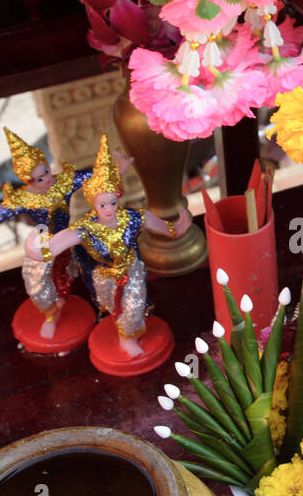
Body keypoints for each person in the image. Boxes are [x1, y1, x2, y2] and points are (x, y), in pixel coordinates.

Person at [0, 128, 128, 340]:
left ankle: (104, 308)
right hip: (42, 241)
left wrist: (117, 169)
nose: (46, 179)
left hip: (69, 237)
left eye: (47, 172)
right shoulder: (21, 199)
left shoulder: (63, 182)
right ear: (27, 181)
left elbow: (95, 176)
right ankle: (51, 315)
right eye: (39, 179)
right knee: (37, 282)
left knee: (84, 270)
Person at [26, 135, 191, 358]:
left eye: (112, 202)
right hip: (105, 277)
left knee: (133, 308)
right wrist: (36, 248)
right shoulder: (86, 228)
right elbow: (54, 246)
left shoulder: (132, 218)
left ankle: (128, 339)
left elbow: (163, 226)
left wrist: (177, 227)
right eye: (102, 204)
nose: (108, 209)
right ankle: (119, 330)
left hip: (131, 271)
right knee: (115, 309)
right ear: (93, 203)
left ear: (118, 197)